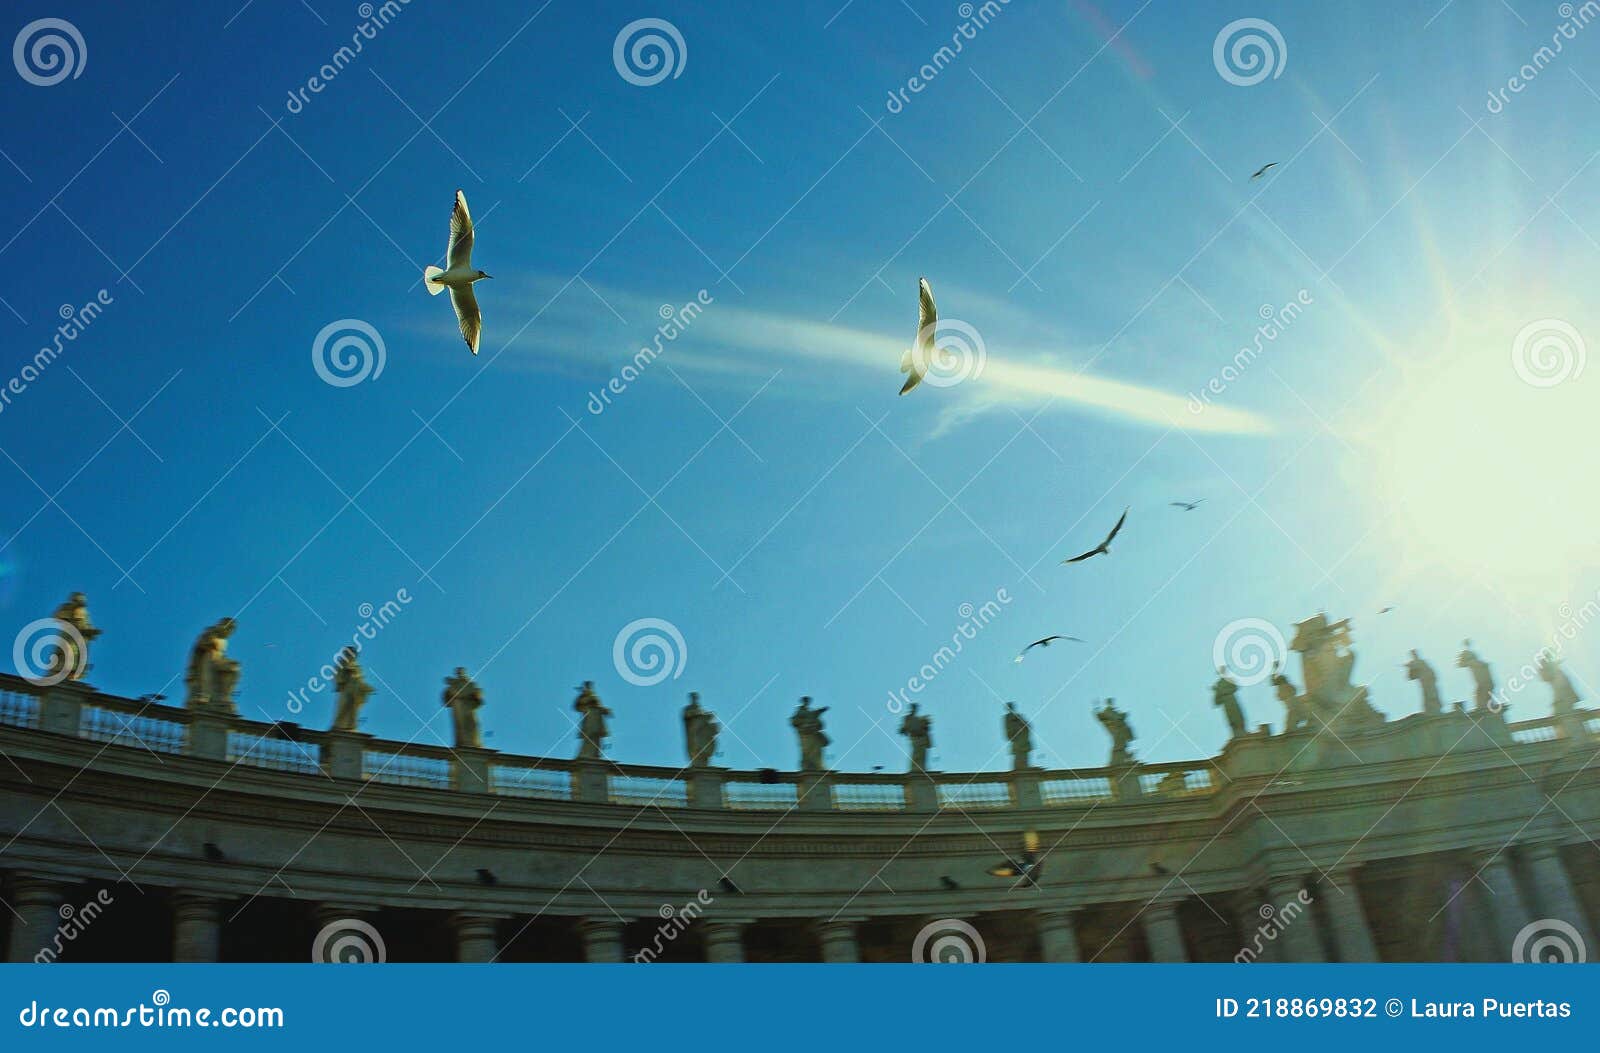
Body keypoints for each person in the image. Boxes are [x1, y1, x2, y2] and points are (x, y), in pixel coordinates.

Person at [791, 696, 830, 771]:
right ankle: (808, 766)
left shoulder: (810, 711)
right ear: (803, 701)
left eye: (808, 701)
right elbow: (794, 721)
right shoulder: (800, 711)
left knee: (817, 750)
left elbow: (815, 714)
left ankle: (818, 766)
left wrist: (820, 711)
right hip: (805, 733)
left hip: (814, 732)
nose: (807, 702)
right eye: (805, 700)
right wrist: (804, 724)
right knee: (807, 749)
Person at [1212, 666, 1247, 738]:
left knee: (1237, 714)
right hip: (1226, 702)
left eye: (1224, 671)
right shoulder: (1218, 684)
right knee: (1230, 717)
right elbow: (1217, 702)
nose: (1223, 673)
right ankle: (1236, 733)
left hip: (1231, 699)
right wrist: (1216, 691)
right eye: (1221, 672)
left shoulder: (1230, 679)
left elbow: (1235, 687)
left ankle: (1241, 731)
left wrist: (1223, 691)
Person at [1404, 649, 1442, 715]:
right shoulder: (1413, 663)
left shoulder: (1422, 662)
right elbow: (1411, 677)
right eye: (1413, 654)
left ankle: (1435, 709)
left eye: (1415, 653)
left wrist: (1432, 676)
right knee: (1427, 695)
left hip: (1429, 680)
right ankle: (1430, 710)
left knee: (1433, 694)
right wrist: (1410, 668)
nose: (1415, 655)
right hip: (1424, 682)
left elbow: (1431, 671)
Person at [899, 703, 933, 772]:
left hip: (922, 738)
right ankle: (915, 768)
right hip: (915, 737)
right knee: (916, 752)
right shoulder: (908, 717)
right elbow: (904, 728)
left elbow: (925, 728)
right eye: (914, 708)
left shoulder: (919, 719)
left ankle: (921, 767)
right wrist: (904, 730)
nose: (915, 709)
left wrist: (926, 725)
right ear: (911, 708)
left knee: (922, 753)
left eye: (916, 708)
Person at [1003, 701, 1033, 770]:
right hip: (1017, 738)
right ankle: (1019, 769)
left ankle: (1023, 768)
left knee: (1023, 754)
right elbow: (1007, 728)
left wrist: (1022, 728)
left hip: (1023, 737)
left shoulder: (1019, 716)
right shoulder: (1007, 717)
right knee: (1018, 754)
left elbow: (1028, 725)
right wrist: (1012, 735)